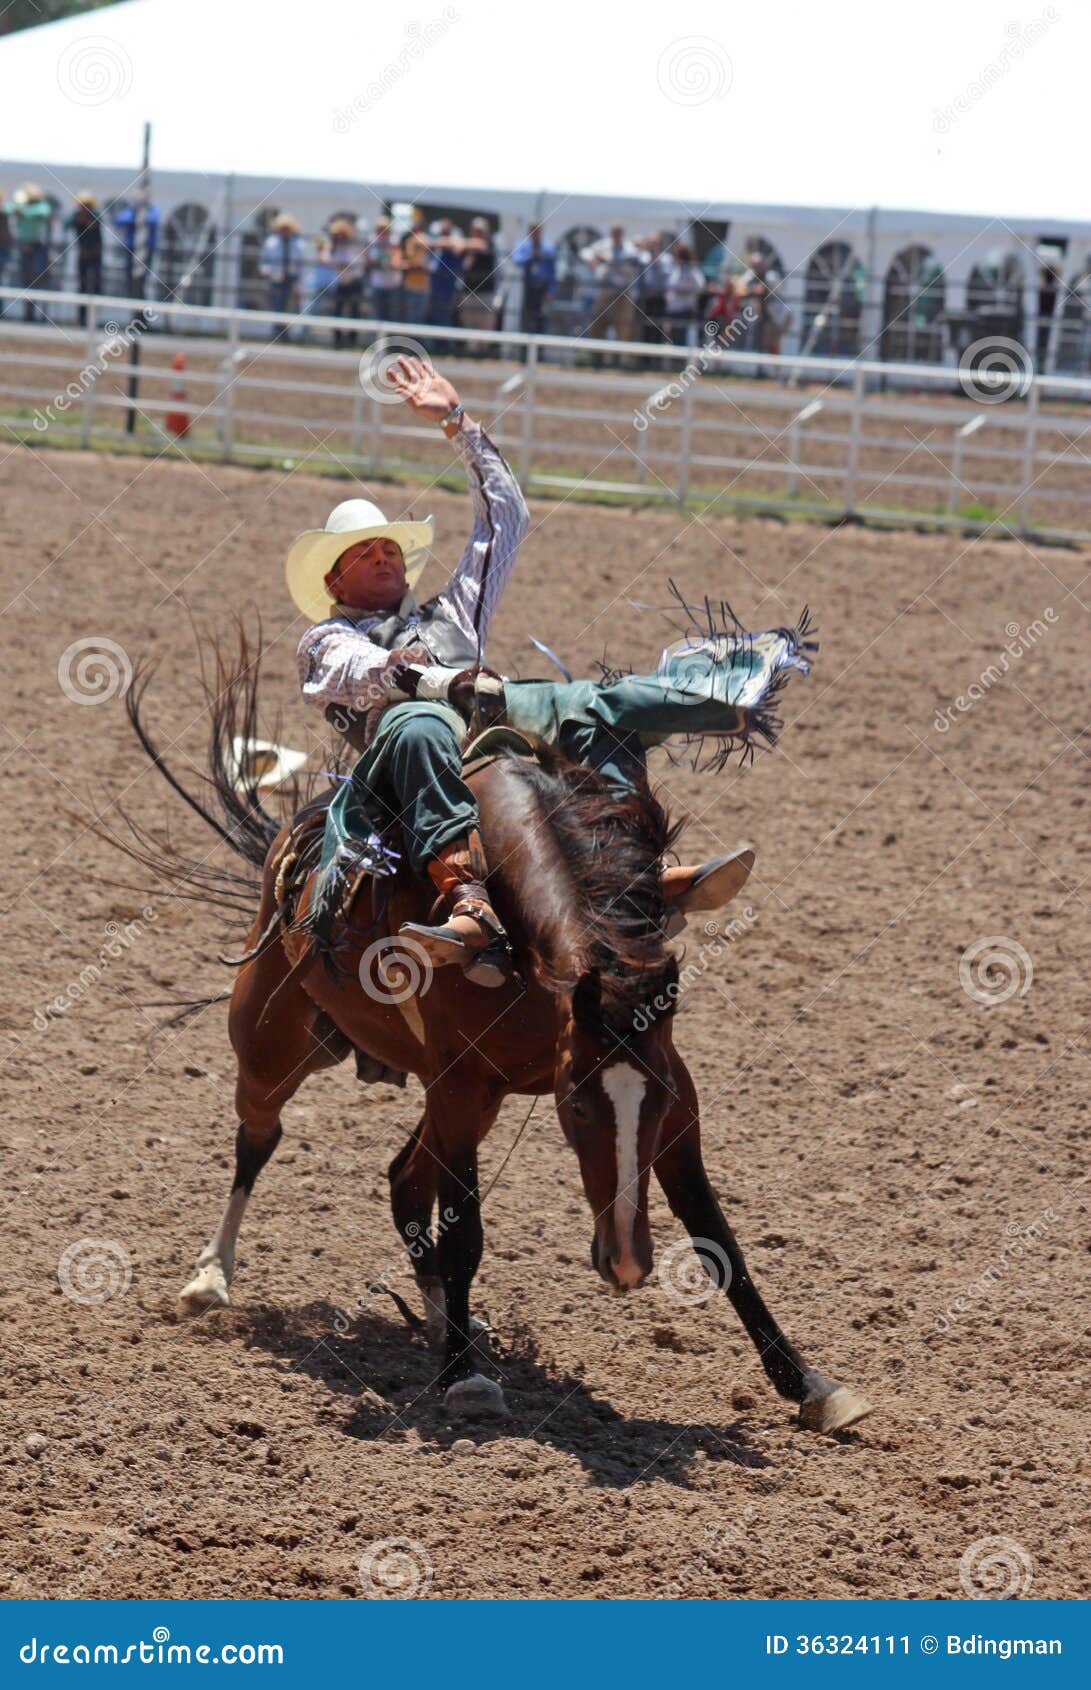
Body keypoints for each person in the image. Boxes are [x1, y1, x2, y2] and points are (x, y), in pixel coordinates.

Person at [289, 356, 812, 986]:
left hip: (491, 723)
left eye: (390, 549)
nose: (384, 559)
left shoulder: (450, 613)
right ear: (332, 579)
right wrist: (437, 682)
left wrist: (458, 424)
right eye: (364, 553)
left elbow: (505, 521)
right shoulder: (325, 641)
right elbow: (368, 672)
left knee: (592, 709)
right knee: (420, 719)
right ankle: (466, 901)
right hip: (405, 765)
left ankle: (638, 869)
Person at [581, 225, 641, 360]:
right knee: (597, 324)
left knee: (623, 328)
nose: (616, 237)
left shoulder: (628, 249)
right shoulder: (603, 245)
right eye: (614, 234)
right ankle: (598, 358)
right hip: (604, 292)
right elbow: (585, 252)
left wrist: (612, 262)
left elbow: (636, 261)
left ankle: (620, 360)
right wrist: (594, 257)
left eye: (618, 234)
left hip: (622, 294)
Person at [9, 184, 52, 322]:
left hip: (37, 248)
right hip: (24, 248)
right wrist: (20, 208)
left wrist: (24, 211)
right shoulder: (21, 206)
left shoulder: (40, 207)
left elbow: (44, 212)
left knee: (38, 280)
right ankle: (28, 313)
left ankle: (40, 314)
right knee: (26, 281)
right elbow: (8, 208)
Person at [259, 211, 305, 333]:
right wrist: (267, 272)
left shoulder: (298, 244)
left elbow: (300, 263)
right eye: (283, 228)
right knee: (277, 303)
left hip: (291, 277)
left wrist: (299, 280)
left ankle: (285, 331)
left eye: (287, 228)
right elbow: (264, 260)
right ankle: (277, 330)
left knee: (288, 304)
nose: (285, 231)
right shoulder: (271, 243)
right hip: (276, 276)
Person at [457, 216, 498, 348]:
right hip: (469, 294)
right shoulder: (468, 250)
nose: (478, 234)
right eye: (475, 231)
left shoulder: (489, 245)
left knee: (485, 333)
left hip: (485, 295)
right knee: (469, 333)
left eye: (480, 231)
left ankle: (484, 356)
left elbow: (479, 245)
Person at [510, 221, 556, 337]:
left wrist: (550, 290)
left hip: (543, 288)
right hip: (527, 287)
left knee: (542, 318)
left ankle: (539, 351)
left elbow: (552, 272)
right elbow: (516, 260)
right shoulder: (524, 246)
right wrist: (531, 256)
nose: (536, 233)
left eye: (538, 231)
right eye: (533, 231)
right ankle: (524, 349)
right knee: (526, 318)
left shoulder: (548, 248)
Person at [662, 240, 706, 347]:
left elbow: (700, 285)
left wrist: (683, 290)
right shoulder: (676, 269)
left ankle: (681, 363)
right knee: (672, 338)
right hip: (673, 309)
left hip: (684, 310)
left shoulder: (691, 270)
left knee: (681, 339)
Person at [327, 217, 363, 348]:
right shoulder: (334, 248)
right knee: (337, 310)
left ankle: (352, 340)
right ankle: (337, 339)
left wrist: (343, 266)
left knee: (353, 311)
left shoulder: (351, 247)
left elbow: (355, 264)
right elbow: (330, 261)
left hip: (353, 282)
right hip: (340, 283)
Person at [426, 218, 463, 334]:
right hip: (435, 281)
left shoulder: (455, 240)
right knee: (433, 312)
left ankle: (445, 344)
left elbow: (457, 247)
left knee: (445, 313)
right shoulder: (436, 239)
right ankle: (436, 342)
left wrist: (441, 242)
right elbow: (427, 242)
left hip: (448, 283)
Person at [366, 214, 402, 322]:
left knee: (391, 315)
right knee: (377, 314)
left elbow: (396, 261)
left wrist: (384, 261)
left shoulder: (394, 240)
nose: (382, 231)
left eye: (384, 228)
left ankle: (390, 338)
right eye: (380, 228)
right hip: (377, 283)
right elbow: (368, 261)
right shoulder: (372, 240)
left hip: (392, 284)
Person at [399, 208, 431, 326]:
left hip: (423, 285)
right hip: (410, 284)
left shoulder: (424, 238)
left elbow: (424, 262)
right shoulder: (408, 240)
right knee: (410, 317)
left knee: (419, 318)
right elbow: (406, 262)